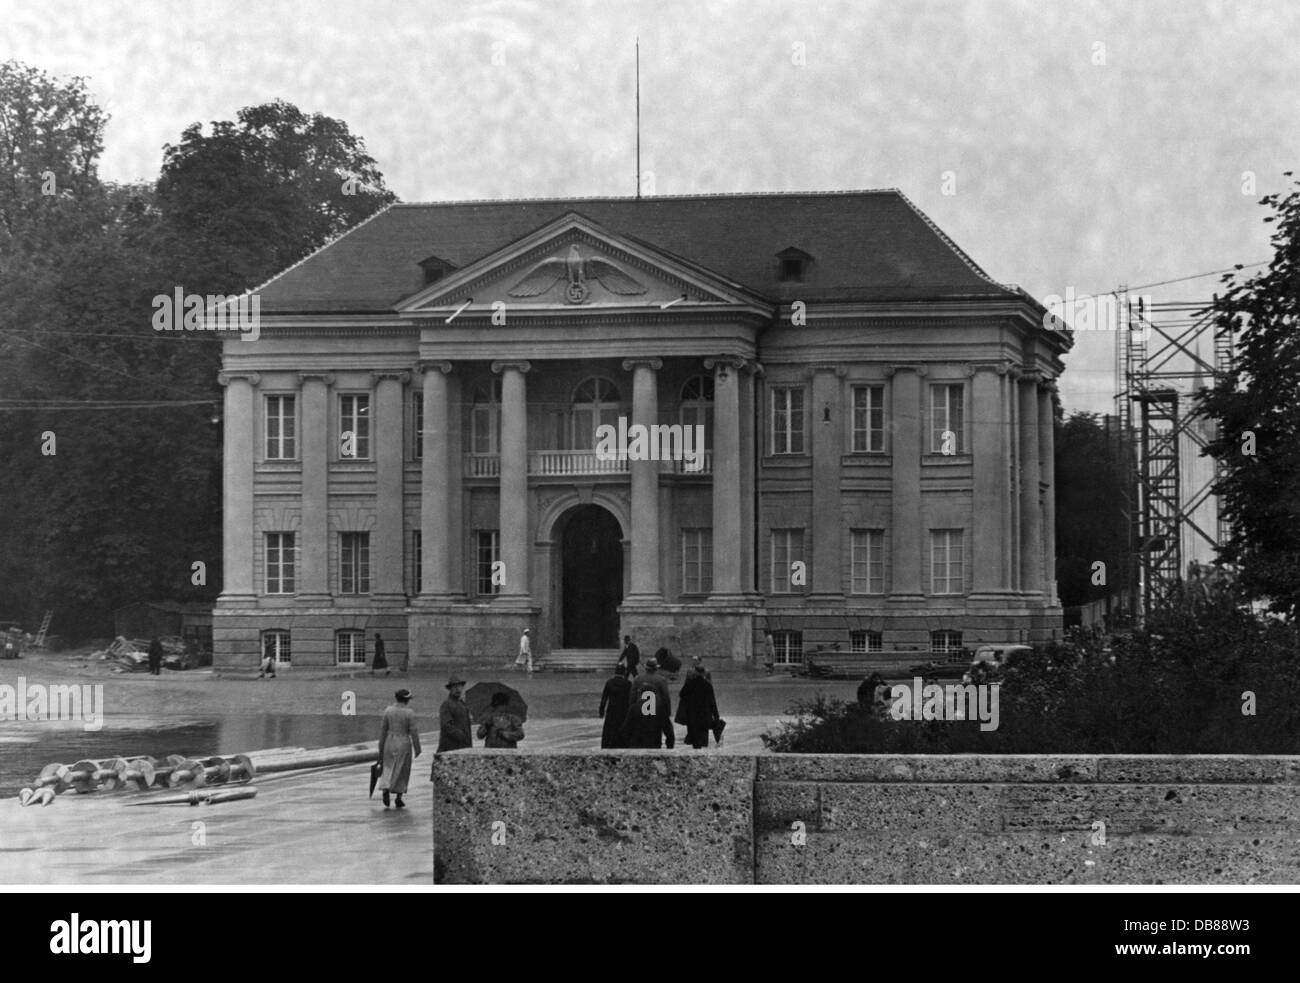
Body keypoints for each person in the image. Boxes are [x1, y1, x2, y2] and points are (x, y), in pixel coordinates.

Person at [378, 688, 421, 809]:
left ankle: (385, 787)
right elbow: (414, 731)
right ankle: (398, 797)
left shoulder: (388, 710)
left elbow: (383, 729)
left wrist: (380, 745)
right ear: (407, 700)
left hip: (390, 741)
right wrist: (417, 748)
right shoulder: (409, 713)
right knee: (402, 769)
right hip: (403, 742)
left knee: (388, 766)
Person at [623, 657, 673, 748]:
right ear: (656, 668)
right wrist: (666, 713)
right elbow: (665, 697)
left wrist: (632, 710)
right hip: (656, 712)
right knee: (655, 736)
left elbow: (632, 697)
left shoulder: (638, 679)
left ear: (646, 668)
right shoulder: (661, 680)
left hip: (639, 711)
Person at [675, 663, 720, 750]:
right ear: (703, 673)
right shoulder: (707, 685)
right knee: (703, 741)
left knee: (694, 741)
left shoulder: (690, 683)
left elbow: (681, 694)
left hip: (692, 715)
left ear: (695, 672)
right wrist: (716, 716)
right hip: (704, 716)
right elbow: (712, 702)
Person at [598, 664, 632, 749]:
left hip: (611, 711)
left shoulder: (609, 682)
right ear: (624, 672)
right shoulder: (628, 683)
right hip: (624, 711)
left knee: (610, 731)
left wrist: (601, 711)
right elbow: (631, 699)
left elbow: (604, 698)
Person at [436, 675, 472, 753]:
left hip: (464, 745)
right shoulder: (446, 704)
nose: (457, 689)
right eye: (454, 687)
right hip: (450, 746)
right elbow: (446, 725)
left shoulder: (463, 704)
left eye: (459, 686)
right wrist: (461, 735)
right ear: (450, 689)